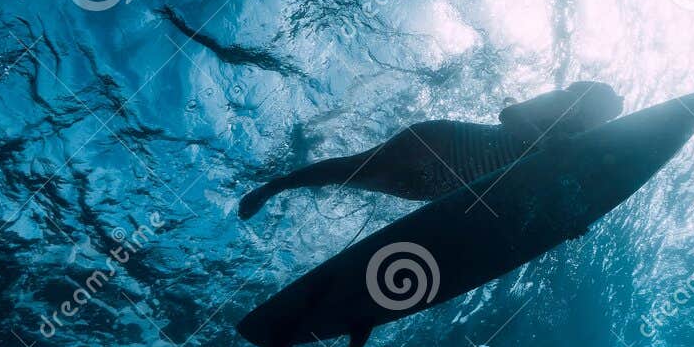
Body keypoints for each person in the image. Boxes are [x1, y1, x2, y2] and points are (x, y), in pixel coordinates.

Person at [238, 81, 622, 218]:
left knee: (352, 179)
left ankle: (280, 184)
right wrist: (545, 141)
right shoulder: (565, 101)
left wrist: (565, 220)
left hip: (446, 185)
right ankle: (274, 186)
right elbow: (510, 114)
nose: (601, 122)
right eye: (604, 114)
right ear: (593, 99)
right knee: (353, 170)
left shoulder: (576, 143)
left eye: (606, 120)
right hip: (442, 145)